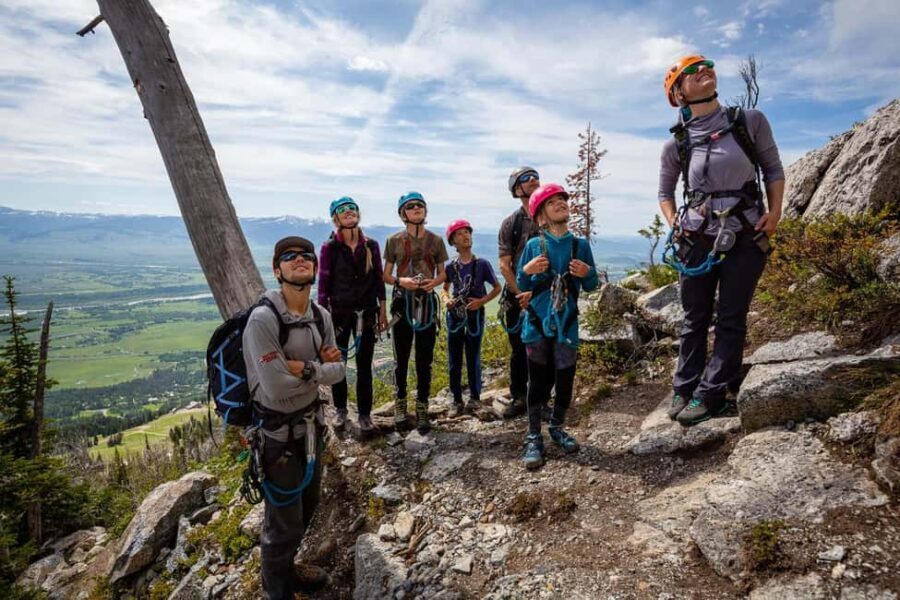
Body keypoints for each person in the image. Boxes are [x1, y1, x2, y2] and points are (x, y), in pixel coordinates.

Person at [658, 55, 784, 426]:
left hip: (746, 232)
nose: (703, 71)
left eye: (706, 65)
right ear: (679, 93)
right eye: (691, 72)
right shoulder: (677, 143)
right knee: (694, 316)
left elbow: (773, 169)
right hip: (696, 236)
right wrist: (674, 222)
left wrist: (774, 213)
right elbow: (665, 193)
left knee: (731, 316)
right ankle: (685, 385)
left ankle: (711, 393)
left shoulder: (749, 122)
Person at [242, 236, 345, 599]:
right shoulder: (263, 320)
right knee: (281, 525)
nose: (300, 260)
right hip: (277, 436)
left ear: (315, 268)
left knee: (307, 507)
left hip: (312, 428)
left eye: (306, 256)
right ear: (277, 269)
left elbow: (340, 372)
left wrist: (302, 369)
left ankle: (289, 573)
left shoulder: (321, 316)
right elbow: (273, 388)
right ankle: (277, 592)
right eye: (289, 256)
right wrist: (319, 371)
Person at [516, 183, 599, 470]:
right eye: (552, 202)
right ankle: (533, 435)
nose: (561, 203)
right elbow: (522, 283)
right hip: (538, 325)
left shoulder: (580, 246)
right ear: (541, 216)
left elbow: (591, 285)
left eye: (562, 199)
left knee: (565, 381)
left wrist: (588, 274)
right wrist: (526, 271)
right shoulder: (533, 247)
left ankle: (557, 426)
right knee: (538, 382)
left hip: (567, 324)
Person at [318, 197, 388, 439]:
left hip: (366, 313)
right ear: (336, 219)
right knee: (338, 366)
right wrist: (323, 319)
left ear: (358, 214)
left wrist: (382, 309)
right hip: (338, 315)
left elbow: (379, 279)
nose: (348, 212)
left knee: (364, 366)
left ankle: (365, 414)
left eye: (351, 209)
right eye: (342, 210)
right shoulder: (330, 248)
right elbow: (323, 285)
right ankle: (340, 409)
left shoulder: (371, 246)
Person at [382, 192, 448, 434]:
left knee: (424, 360)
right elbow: (386, 275)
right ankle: (400, 404)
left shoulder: (436, 241)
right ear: (403, 213)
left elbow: (443, 273)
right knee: (401, 358)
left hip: (426, 303)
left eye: (420, 205)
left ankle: (422, 407)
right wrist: (403, 281)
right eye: (411, 206)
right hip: (402, 303)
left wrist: (433, 283)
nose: (417, 208)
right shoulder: (394, 241)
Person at [442, 219, 501, 417]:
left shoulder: (482, 264)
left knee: (473, 356)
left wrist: (481, 302)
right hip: (456, 315)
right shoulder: (451, 267)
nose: (466, 236)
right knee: (454, 358)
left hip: (475, 314)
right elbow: (444, 289)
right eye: (460, 234)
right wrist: (447, 300)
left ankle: (475, 398)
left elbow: (497, 288)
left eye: (467, 232)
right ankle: (456, 400)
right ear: (453, 242)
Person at [497, 166, 543, 418]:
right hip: (517, 297)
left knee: (544, 348)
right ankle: (518, 396)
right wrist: (521, 294)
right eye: (526, 178)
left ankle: (542, 398)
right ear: (517, 189)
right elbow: (504, 265)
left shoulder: (548, 216)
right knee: (518, 350)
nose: (534, 180)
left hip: (546, 294)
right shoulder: (511, 224)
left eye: (535, 176)